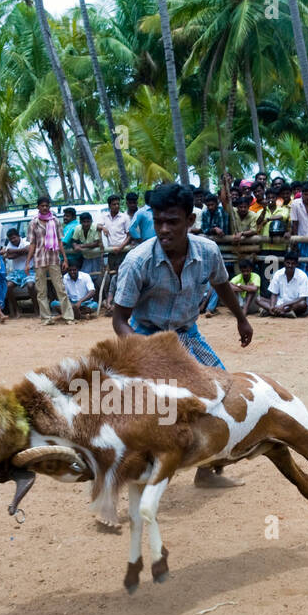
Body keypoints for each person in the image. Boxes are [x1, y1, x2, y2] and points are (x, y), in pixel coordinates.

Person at [112, 182, 253, 489]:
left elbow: (222, 286)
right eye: (158, 221)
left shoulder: (208, 252)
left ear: (190, 221)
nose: (164, 229)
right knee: (143, 410)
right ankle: (115, 488)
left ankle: (207, 471)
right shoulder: (138, 261)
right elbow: (120, 320)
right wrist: (143, 351)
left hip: (188, 335)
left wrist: (241, 319)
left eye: (172, 221)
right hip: (146, 337)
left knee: (222, 396)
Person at [27, 196, 73, 324]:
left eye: (47, 205)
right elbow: (32, 244)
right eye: (42, 206)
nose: (45, 208)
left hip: (53, 259)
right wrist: (27, 262)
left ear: (49, 207)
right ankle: (46, 318)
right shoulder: (33, 223)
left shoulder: (55, 221)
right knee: (41, 291)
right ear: (38, 207)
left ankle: (68, 317)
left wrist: (65, 259)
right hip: (39, 260)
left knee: (60, 289)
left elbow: (59, 242)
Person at [265, 250, 308, 317]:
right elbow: (274, 294)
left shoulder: (302, 275)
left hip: (293, 304)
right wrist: (272, 306)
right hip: (279, 303)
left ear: (297, 264)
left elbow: (302, 298)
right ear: (284, 263)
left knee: (302, 304)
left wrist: (284, 305)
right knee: (258, 299)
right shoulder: (278, 274)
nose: (290, 265)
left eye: (293, 263)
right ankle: (278, 312)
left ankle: (278, 312)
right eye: (288, 263)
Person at [69, 210, 104, 275]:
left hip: (96, 255)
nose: (86, 224)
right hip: (86, 256)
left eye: (88, 222)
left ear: (91, 221)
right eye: (84, 222)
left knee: (96, 275)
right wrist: (75, 246)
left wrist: (81, 246)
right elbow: (74, 240)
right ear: (80, 222)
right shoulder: (77, 228)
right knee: (85, 274)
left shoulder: (95, 227)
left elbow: (96, 243)